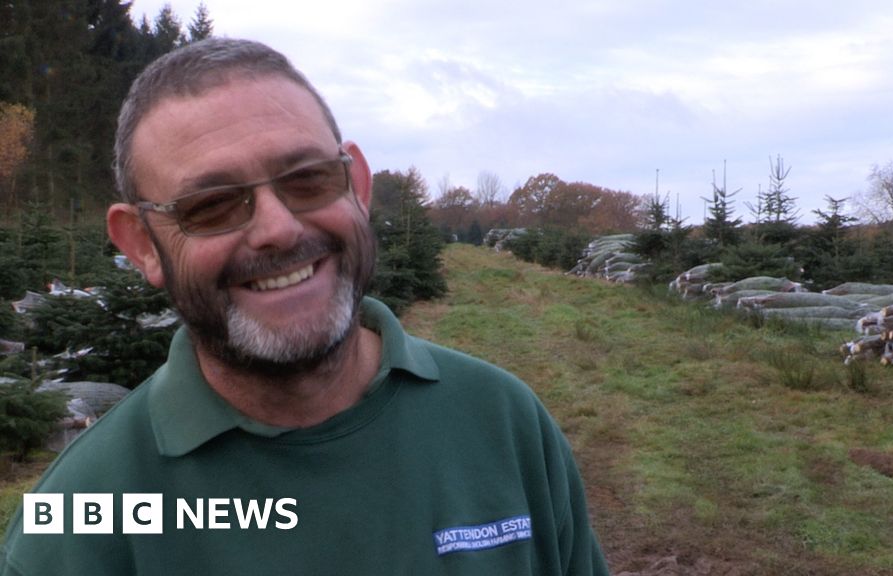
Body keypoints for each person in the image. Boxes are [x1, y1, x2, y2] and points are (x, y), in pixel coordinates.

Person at [0, 38, 609, 575]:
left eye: (308, 179)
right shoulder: (80, 525)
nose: (278, 229)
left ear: (358, 186)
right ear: (141, 245)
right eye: (212, 205)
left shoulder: (502, 422)